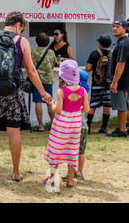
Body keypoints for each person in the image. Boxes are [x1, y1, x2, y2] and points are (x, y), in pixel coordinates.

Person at [0, 11, 52, 182]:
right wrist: (43, 92)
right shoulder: (21, 41)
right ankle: (15, 173)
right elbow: (30, 70)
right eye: (22, 28)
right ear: (18, 25)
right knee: (14, 131)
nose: (21, 31)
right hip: (13, 91)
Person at [43, 60, 90, 188]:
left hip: (61, 126)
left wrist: (51, 103)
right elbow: (86, 109)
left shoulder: (61, 91)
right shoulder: (82, 91)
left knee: (56, 150)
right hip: (75, 126)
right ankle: (70, 181)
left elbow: (57, 110)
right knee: (72, 151)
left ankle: (52, 178)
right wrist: (76, 110)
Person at [85, 34, 112, 134]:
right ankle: (104, 128)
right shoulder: (113, 54)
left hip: (97, 83)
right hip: (109, 84)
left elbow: (88, 68)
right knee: (107, 105)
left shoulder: (94, 54)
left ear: (100, 43)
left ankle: (88, 127)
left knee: (93, 105)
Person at [31, 32, 57, 131]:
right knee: (49, 102)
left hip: (37, 80)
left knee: (38, 102)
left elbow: (29, 66)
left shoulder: (32, 52)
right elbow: (53, 66)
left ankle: (41, 126)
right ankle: (53, 126)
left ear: (37, 41)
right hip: (48, 80)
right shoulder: (51, 52)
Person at [107, 20, 129, 138]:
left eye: (118, 27)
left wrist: (114, 81)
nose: (114, 29)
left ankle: (122, 130)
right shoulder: (122, 42)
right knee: (125, 105)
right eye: (113, 26)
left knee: (122, 106)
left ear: (125, 29)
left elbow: (121, 63)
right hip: (124, 79)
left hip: (121, 80)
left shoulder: (123, 43)